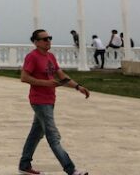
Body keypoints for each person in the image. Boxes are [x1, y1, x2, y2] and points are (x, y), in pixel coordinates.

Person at [19, 29, 90, 175]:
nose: (48, 41)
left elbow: (61, 76)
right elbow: (24, 77)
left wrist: (78, 87)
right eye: (45, 39)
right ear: (36, 42)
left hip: (50, 100)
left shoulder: (50, 56)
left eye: (49, 38)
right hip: (39, 100)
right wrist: (46, 83)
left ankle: (24, 166)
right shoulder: (32, 57)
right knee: (53, 136)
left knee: (35, 134)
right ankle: (71, 169)